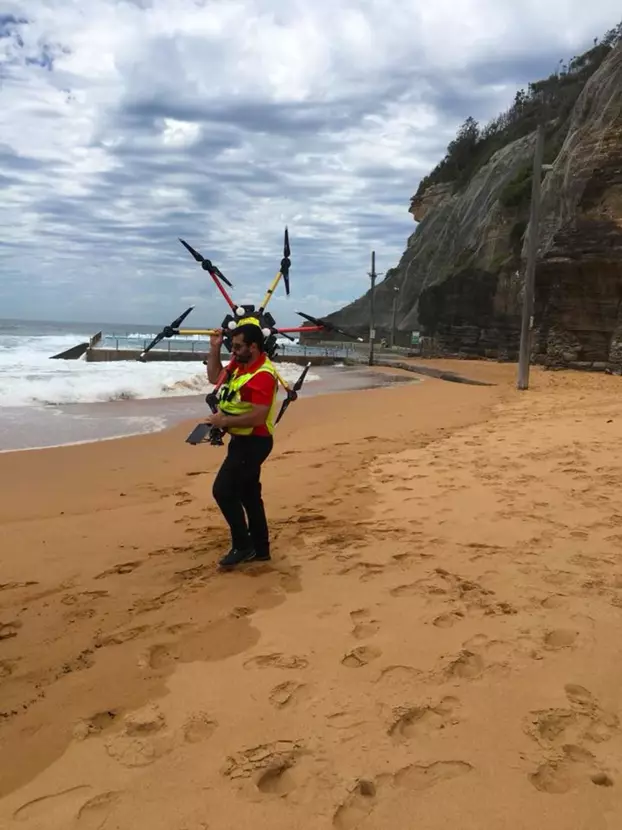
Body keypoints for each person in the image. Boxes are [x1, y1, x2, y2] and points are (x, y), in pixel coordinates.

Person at [204, 323, 278, 570]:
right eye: (231, 347)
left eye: (237, 347)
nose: (232, 352)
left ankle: (243, 545)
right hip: (241, 440)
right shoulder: (240, 364)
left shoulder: (263, 376)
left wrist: (223, 420)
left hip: (254, 442)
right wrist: (214, 349)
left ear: (253, 347)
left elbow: (258, 415)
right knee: (249, 495)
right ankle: (261, 548)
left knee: (223, 491)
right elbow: (215, 377)